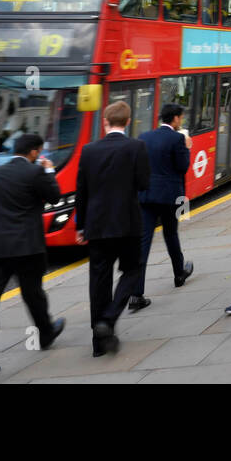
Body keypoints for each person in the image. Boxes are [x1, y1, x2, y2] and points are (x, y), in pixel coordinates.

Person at [0, 133, 65, 383]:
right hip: (25, 247)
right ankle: (46, 332)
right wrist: (49, 172)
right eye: (39, 152)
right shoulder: (35, 173)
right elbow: (54, 197)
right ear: (33, 152)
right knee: (33, 293)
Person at [75, 100, 150, 356]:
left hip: (96, 225)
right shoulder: (136, 147)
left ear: (105, 122)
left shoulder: (88, 150)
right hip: (128, 223)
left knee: (98, 281)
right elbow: (143, 184)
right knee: (132, 270)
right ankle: (109, 318)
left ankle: (99, 344)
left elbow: (81, 192)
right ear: (128, 122)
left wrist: (80, 226)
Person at [130, 103, 194, 312]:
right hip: (169, 196)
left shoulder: (144, 137)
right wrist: (187, 147)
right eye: (180, 118)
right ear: (175, 119)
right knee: (170, 234)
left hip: (146, 196)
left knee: (143, 242)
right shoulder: (177, 138)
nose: (181, 121)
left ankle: (136, 293)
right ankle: (179, 273)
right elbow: (183, 167)